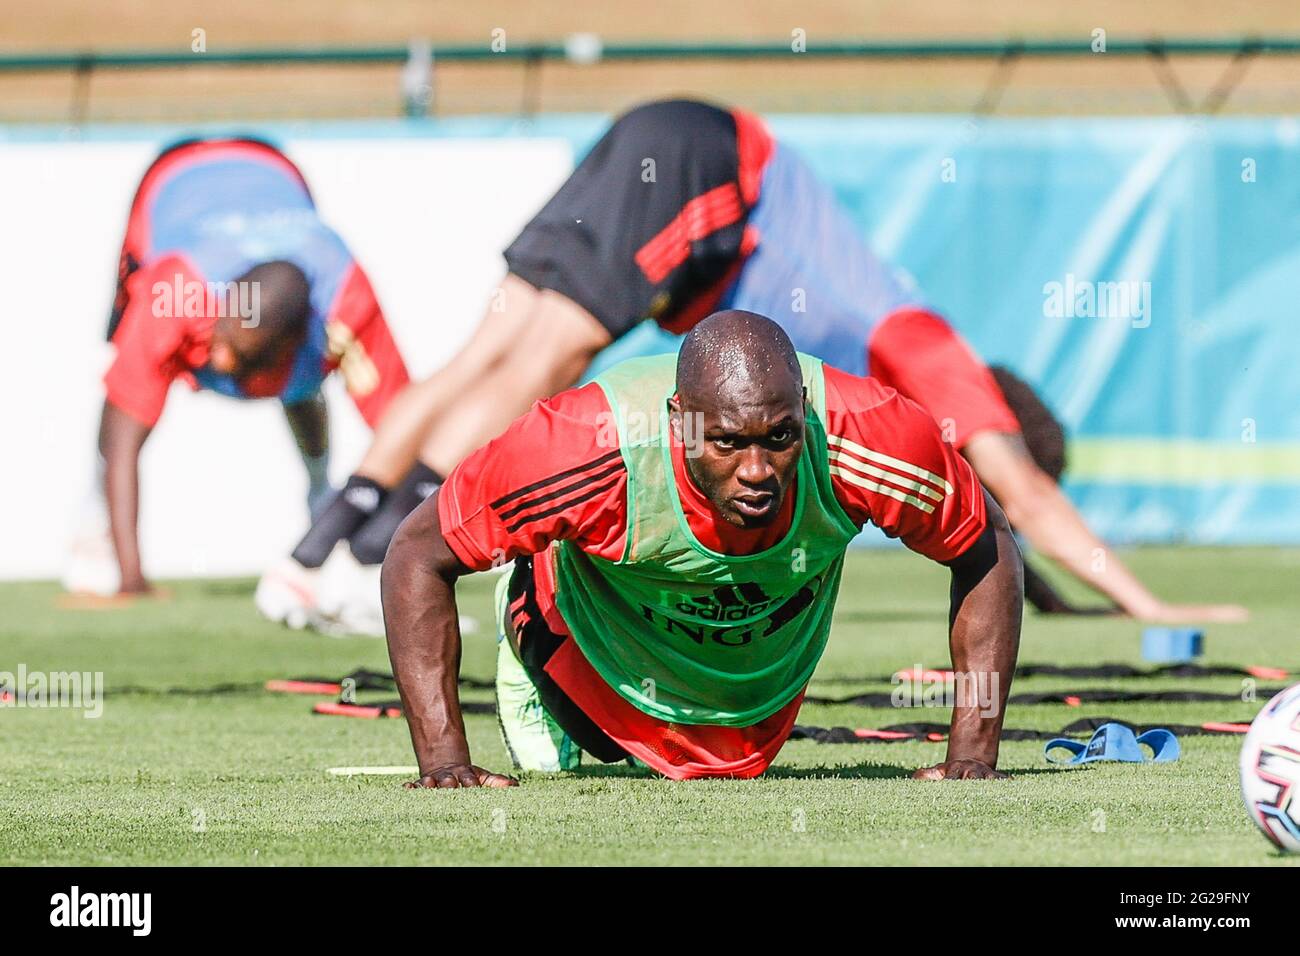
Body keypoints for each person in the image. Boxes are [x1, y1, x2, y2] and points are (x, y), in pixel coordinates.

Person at [266, 99, 1245, 627]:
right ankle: (377, 552)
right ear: (985, 418)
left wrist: (1049, 597)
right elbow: (1016, 498)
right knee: (552, 352)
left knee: (491, 348)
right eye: (986, 446)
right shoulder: (927, 349)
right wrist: (1149, 602)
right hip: (713, 171)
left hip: (675, 144)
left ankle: (324, 548)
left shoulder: (883, 373)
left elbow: (987, 533)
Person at [381, 311, 1024, 783]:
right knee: (597, 760)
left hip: (754, 691)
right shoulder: (583, 445)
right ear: (678, 416)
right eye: (726, 442)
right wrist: (443, 761)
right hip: (592, 653)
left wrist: (971, 755)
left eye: (779, 437)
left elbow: (986, 544)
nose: (756, 470)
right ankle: (526, 630)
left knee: (732, 772)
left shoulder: (869, 435)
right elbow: (416, 555)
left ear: (804, 409)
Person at [69, 136, 409, 598]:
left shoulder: (344, 293)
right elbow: (124, 431)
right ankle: (97, 526)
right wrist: (132, 579)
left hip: (278, 174)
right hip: (168, 179)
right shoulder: (173, 292)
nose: (222, 359)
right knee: (124, 390)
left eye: (240, 354)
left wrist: (407, 550)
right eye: (223, 340)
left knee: (304, 382)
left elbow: (405, 424)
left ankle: (318, 494)